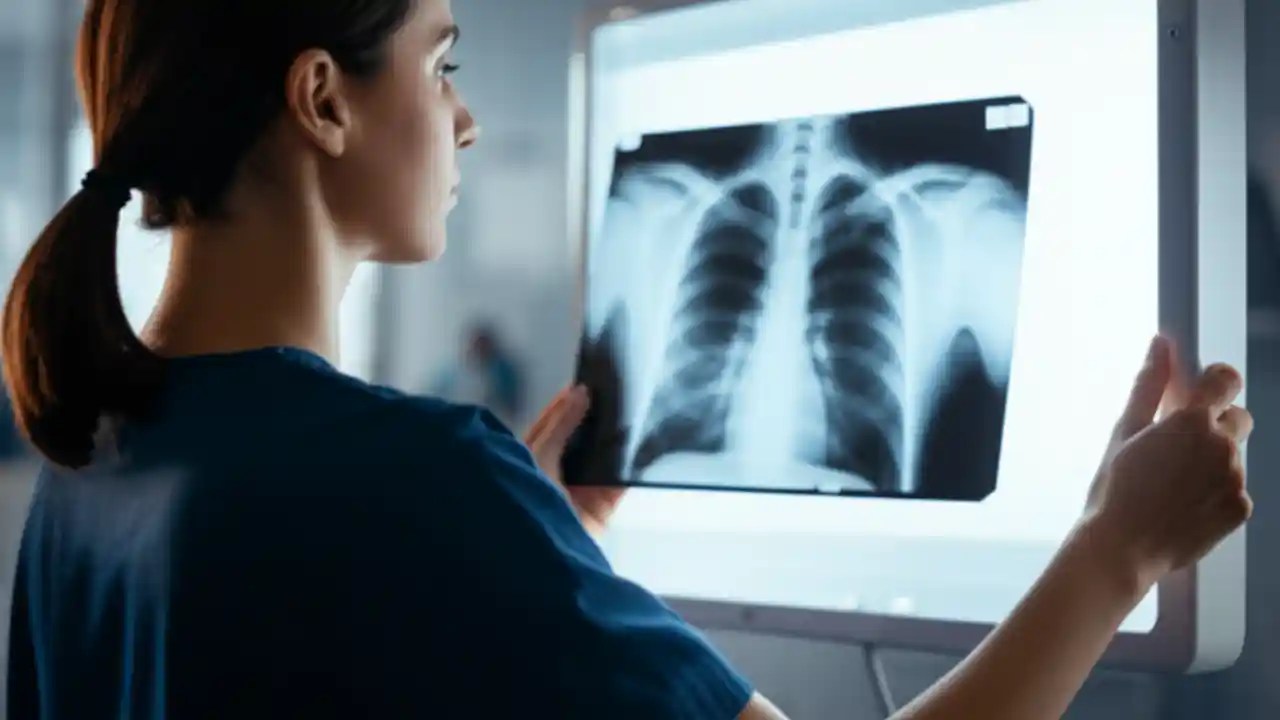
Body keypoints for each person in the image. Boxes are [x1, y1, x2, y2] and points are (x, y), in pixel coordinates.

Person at [1, 1, 1253, 718]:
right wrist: (1114, 553)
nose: (468, 118)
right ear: (323, 100)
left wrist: (524, 565)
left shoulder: (92, 459)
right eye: (442, 66)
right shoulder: (414, 482)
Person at [432, 321, 525, 425]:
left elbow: (512, 407)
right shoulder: (452, 374)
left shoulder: (502, 374)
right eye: (476, 345)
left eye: (483, 346)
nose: (479, 350)